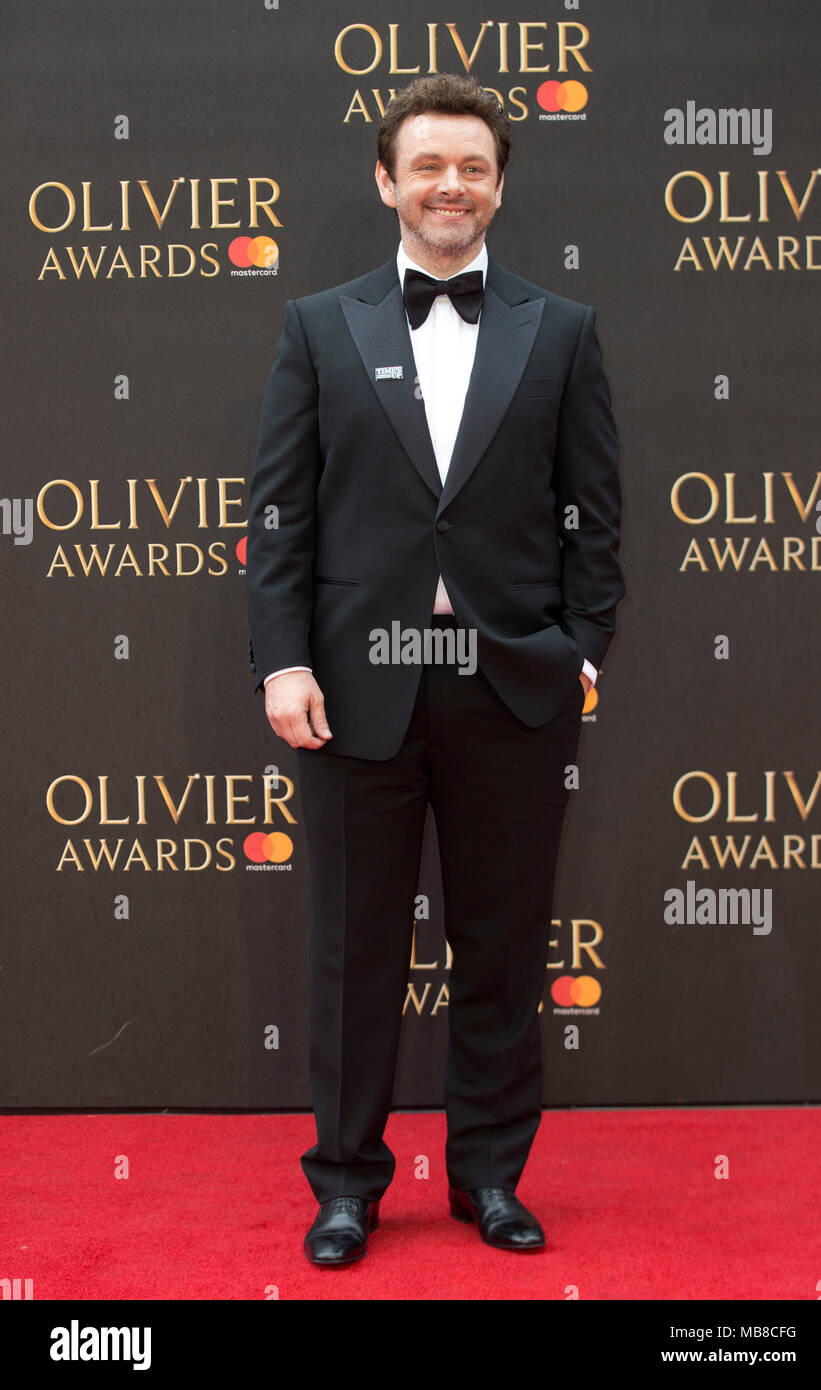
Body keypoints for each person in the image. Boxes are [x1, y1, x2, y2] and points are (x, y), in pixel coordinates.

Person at [246, 73, 624, 1265]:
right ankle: (348, 1186)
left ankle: (490, 1179)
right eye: (427, 165)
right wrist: (281, 664)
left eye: (471, 166)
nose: (448, 185)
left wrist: (582, 653)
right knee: (356, 949)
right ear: (385, 181)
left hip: (512, 684)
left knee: (504, 950)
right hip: (357, 688)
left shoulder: (563, 330)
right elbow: (283, 516)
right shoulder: (318, 324)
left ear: (500, 184)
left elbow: (598, 519)